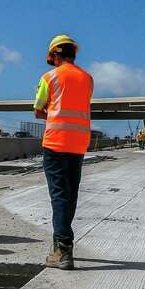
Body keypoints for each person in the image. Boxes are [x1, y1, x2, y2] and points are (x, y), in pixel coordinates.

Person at [34, 34, 93, 270]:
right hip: (78, 144)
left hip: (56, 143)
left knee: (58, 195)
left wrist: (52, 114)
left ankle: (62, 250)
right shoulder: (87, 79)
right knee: (69, 195)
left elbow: (39, 109)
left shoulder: (50, 77)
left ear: (55, 54)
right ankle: (63, 243)